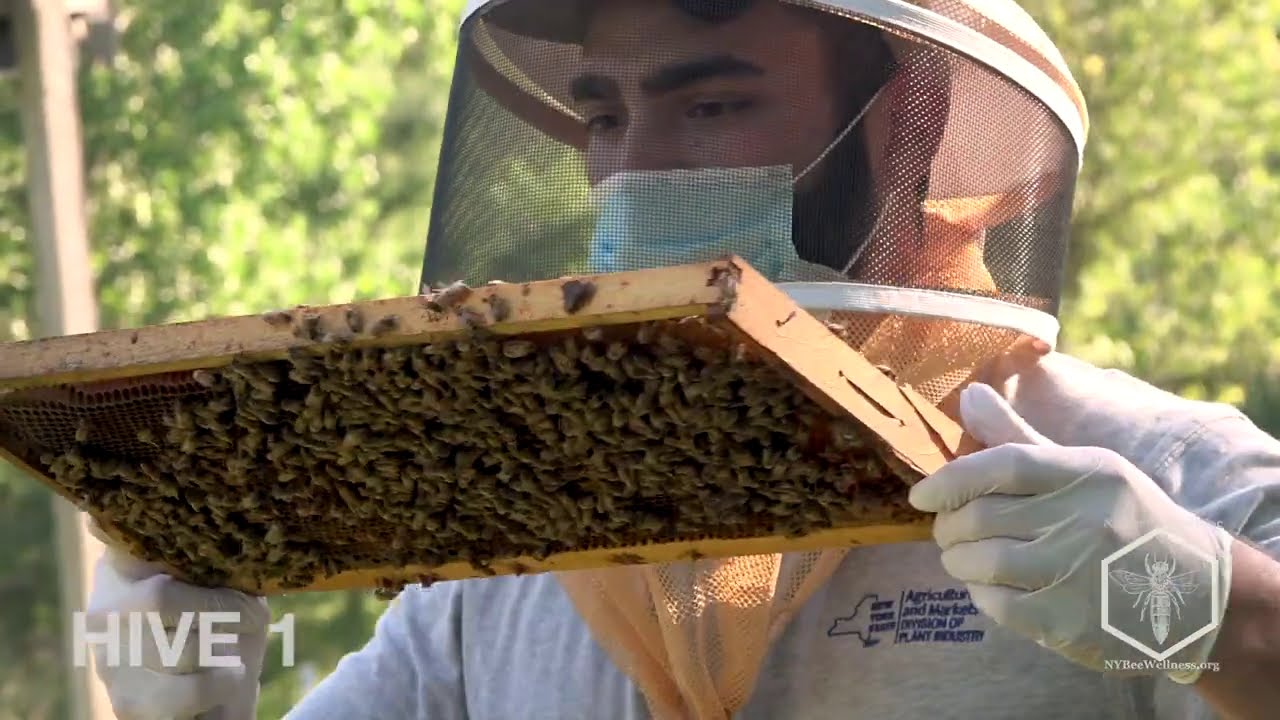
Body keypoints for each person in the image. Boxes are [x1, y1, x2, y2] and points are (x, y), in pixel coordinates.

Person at [84, 0, 1280, 718]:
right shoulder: (511, 561)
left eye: (709, 105)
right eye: (606, 118)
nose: (637, 168)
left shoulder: (1132, 473)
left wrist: (1211, 610)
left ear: (904, 122)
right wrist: (179, 696)